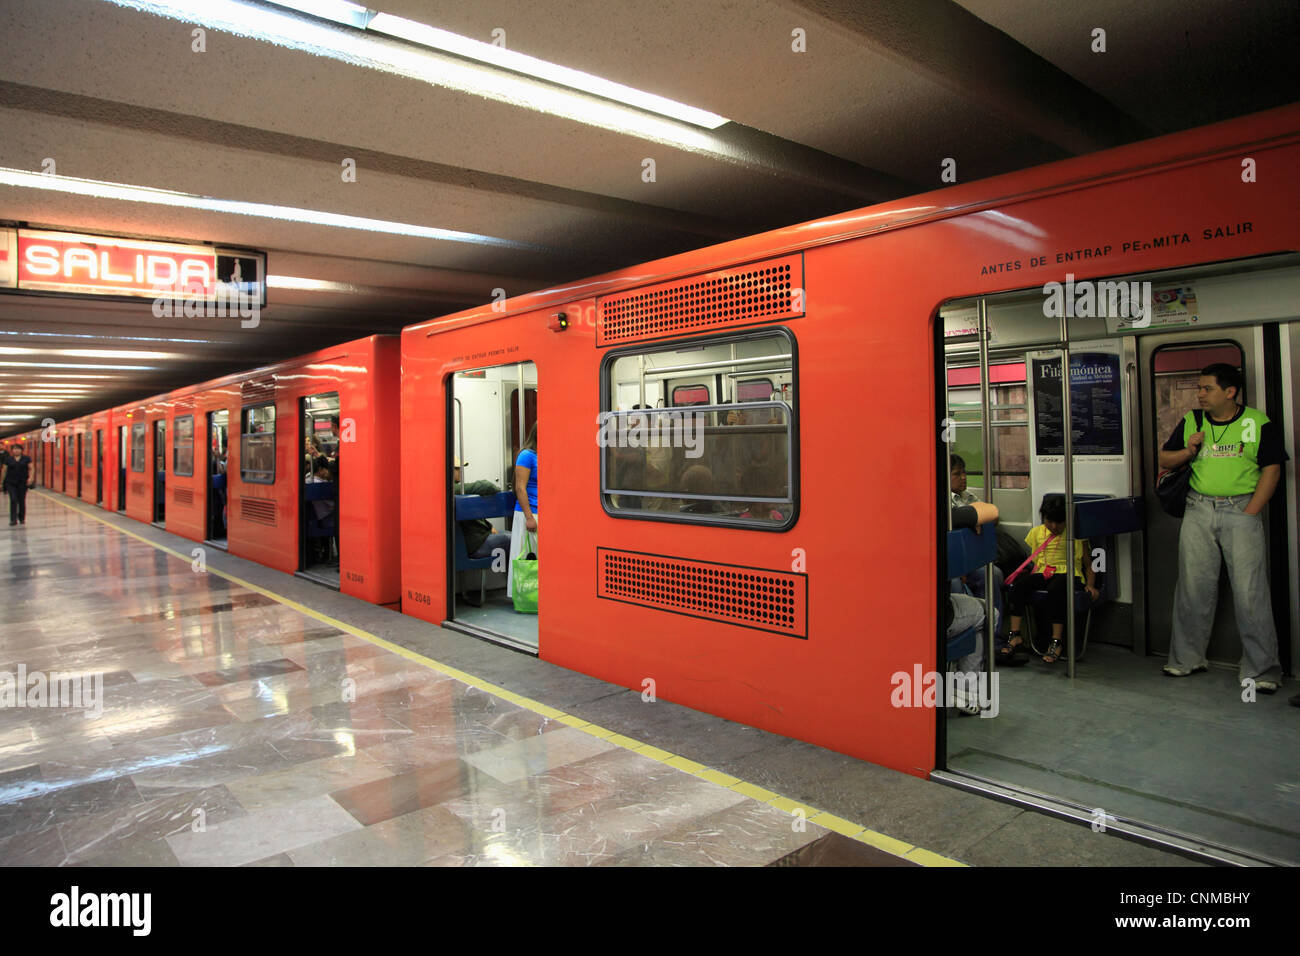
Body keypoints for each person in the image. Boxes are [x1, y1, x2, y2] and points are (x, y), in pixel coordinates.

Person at [1159, 363, 1288, 692]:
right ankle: (1186, 658)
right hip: (1198, 508)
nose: (1200, 394)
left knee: (1250, 592)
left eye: (1207, 389)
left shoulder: (1257, 423)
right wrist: (1189, 449)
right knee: (1192, 587)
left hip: (1240, 509)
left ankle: (1261, 671)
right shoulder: (1194, 421)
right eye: (1200, 388)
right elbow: (1165, 460)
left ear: (1229, 392)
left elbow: (1272, 469)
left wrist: (1251, 511)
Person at [1005, 496, 1099, 664]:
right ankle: (1015, 635)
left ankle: (1056, 642)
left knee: (1056, 589)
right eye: (1050, 522)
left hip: (1069, 574)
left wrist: (1091, 585)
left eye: (1059, 523)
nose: (1054, 527)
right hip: (1044, 572)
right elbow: (1035, 561)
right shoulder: (1037, 533)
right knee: (1018, 586)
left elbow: (1088, 563)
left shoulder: (1075, 535)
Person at [949, 456, 1011, 661]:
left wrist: (973, 519)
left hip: (972, 562)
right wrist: (971, 521)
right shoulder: (944, 502)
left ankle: (994, 641)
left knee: (992, 574)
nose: (963, 478)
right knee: (955, 581)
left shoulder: (969, 498)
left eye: (964, 472)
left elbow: (993, 514)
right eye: (957, 474)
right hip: (953, 564)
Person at [948, 500, 1000, 714]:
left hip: (890, 616)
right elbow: (992, 511)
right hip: (933, 617)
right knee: (988, 613)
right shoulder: (944, 514)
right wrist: (968, 517)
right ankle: (965, 693)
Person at [453, 460, 511, 606]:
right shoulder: (454, 489)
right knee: (510, 538)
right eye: (457, 469)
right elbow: (487, 486)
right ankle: (515, 587)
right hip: (475, 545)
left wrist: (489, 525)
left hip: (476, 540)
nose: (461, 472)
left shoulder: (457, 490)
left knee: (506, 536)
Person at [506, 424, 538, 600]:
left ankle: (537, 594)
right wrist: (529, 517)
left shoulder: (545, 455)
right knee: (526, 555)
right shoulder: (527, 456)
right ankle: (522, 595)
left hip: (541, 512)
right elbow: (520, 488)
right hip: (529, 512)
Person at [1, 443, 35, 526]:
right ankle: (13, 519)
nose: (16, 450)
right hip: (11, 482)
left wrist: (31, 478)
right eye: (14, 449)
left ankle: (21, 517)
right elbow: (4, 471)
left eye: (18, 449)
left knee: (21, 500)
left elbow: (31, 468)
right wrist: (1, 482)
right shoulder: (8, 459)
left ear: (21, 450)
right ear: (12, 450)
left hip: (22, 483)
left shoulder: (27, 459)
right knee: (13, 499)